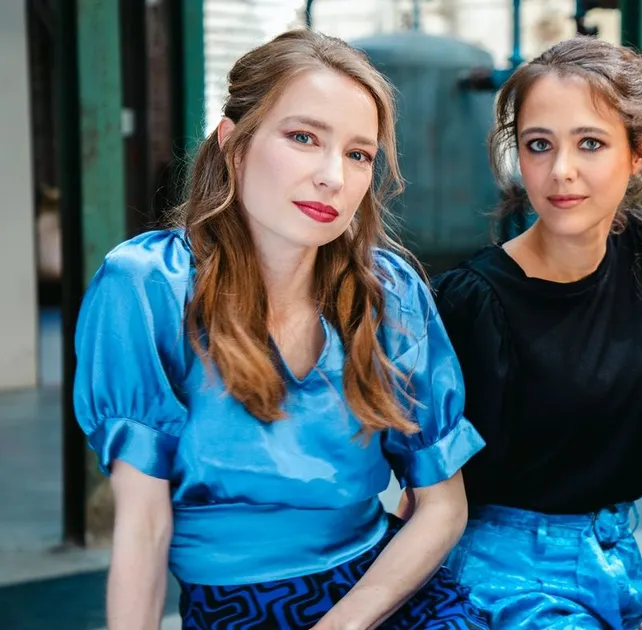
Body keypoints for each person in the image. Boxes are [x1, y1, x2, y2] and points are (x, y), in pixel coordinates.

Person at [72, 29, 489, 630]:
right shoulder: (148, 285)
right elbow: (143, 524)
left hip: (377, 593)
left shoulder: (389, 291)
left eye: (359, 154)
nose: (332, 177)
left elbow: (442, 506)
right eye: (303, 138)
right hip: (235, 606)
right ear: (233, 143)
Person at [424, 36, 642, 629]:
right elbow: (430, 489)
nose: (561, 172)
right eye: (539, 145)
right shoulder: (472, 302)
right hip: (503, 575)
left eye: (590, 143)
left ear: (638, 153)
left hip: (621, 561)